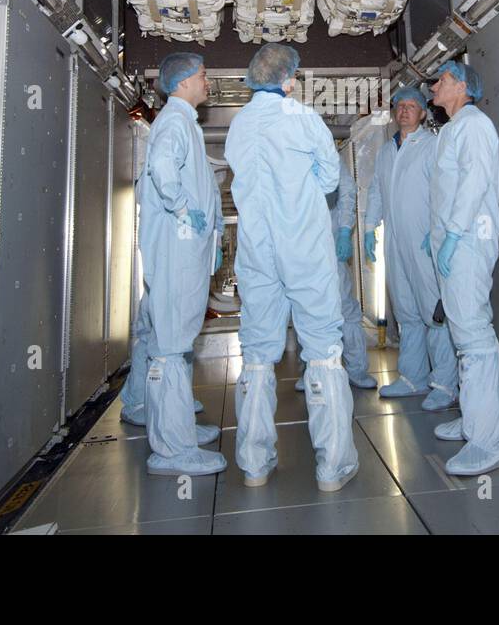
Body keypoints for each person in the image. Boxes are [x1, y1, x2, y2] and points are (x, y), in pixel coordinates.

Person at [226, 44, 359, 491]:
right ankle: (332, 466)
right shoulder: (303, 118)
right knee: (322, 349)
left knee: (259, 354)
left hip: (257, 253)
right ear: (289, 80)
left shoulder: (238, 125)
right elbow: (329, 179)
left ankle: (254, 464)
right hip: (303, 247)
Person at [128, 52, 226, 477]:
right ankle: (171, 449)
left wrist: (214, 236)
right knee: (169, 348)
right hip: (176, 252)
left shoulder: (184, 122)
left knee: (176, 344)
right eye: (203, 75)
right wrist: (185, 208)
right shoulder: (173, 122)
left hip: (186, 251)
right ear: (184, 81)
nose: (208, 82)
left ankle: (179, 426)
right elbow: (164, 169)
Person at [426, 61, 499, 476]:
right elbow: (447, 189)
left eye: (441, 80)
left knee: (474, 336)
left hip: (468, 240)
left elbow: (474, 184)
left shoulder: (475, 125)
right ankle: (475, 417)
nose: (434, 86)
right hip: (453, 240)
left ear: (461, 86)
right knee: (463, 335)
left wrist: (455, 234)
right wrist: (438, 234)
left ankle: (490, 441)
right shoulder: (451, 129)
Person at [363, 86, 458, 411]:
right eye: (399, 106)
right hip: (395, 241)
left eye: (411, 106)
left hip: (425, 241)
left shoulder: (432, 145)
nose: (404, 111)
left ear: (422, 113)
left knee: (434, 312)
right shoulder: (387, 151)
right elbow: (376, 190)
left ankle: (445, 383)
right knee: (406, 311)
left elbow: (445, 191)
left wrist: (439, 232)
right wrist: (367, 228)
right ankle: (413, 377)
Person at [296, 161, 377, 392]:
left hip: (330, 242)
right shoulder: (290, 153)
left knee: (344, 307)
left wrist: (344, 231)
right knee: (305, 309)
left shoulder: (326, 153)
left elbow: (348, 191)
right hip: (299, 246)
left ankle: (356, 369)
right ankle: (311, 368)